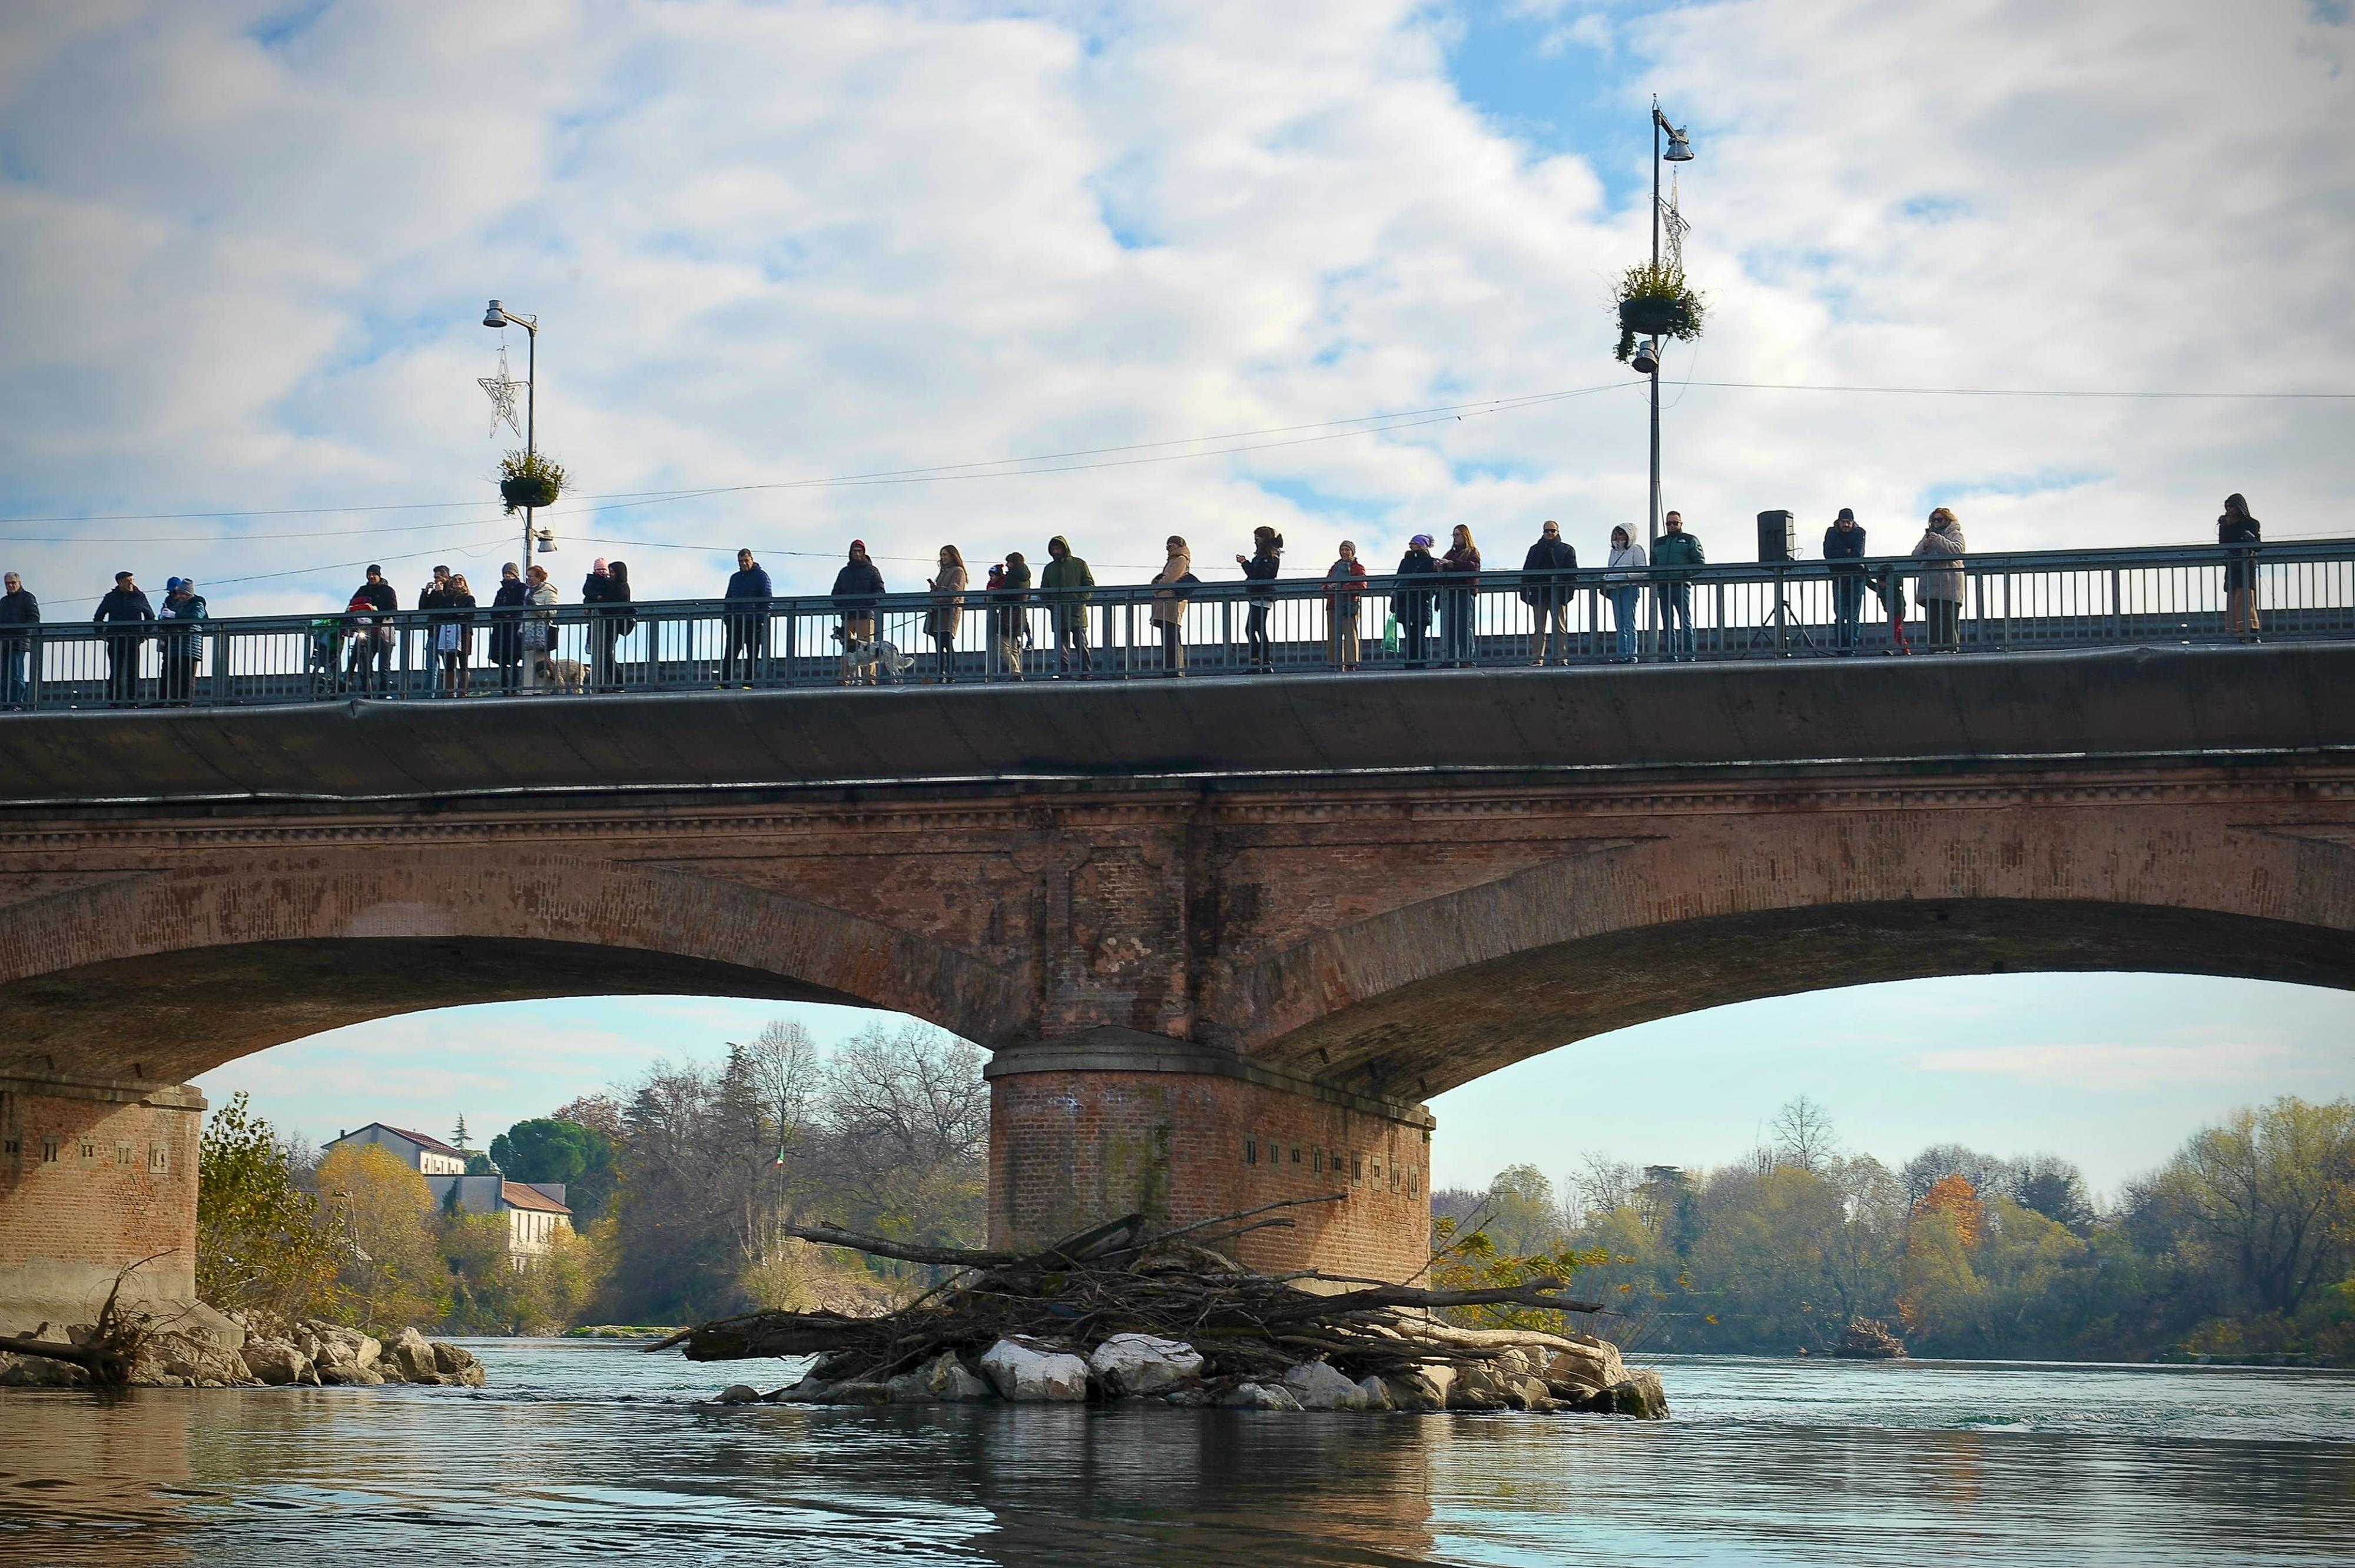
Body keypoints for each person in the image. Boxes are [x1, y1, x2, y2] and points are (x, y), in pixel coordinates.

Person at [1519, 520, 1577, 666]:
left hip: (1559, 593)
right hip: (1539, 594)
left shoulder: (1567, 549)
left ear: (1558, 532)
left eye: (1553, 531)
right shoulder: (1535, 550)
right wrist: (1525, 592)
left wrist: (1568, 593)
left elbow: (1572, 574)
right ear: (1543, 532)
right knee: (1539, 629)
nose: (1550, 533)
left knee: (1560, 628)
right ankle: (1537, 659)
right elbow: (1527, 572)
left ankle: (1561, 658)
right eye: (1547, 531)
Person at [94, 570, 155, 704]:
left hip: (134, 639)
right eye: (128, 581)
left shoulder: (139, 596)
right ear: (120, 583)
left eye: (132, 580)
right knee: (116, 672)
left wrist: (145, 633)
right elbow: (99, 616)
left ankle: (133, 701)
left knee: (133, 672)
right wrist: (100, 632)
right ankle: (114, 700)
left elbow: (150, 616)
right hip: (115, 639)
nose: (131, 584)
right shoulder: (111, 598)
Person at [1912, 507, 1966, 653]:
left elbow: (1958, 551)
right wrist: (1926, 545)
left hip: (1949, 584)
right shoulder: (1927, 537)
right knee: (1933, 621)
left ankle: (1951, 648)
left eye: (1940, 519)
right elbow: (1915, 557)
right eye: (1934, 520)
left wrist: (1939, 541)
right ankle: (1934, 649)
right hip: (1930, 586)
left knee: (1948, 619)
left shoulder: (1955, 534)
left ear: (1948, 520)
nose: (1936, 523)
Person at [1651, 511, 1703, 662]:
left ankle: (1689, 654)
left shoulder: (1689, 540)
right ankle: (1670, 655)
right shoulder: (1658, 542)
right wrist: (1656, 577)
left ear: (1681, 524)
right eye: (1669, 523)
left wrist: (1684, 574)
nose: (1672, 526)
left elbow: (1700, 563)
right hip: (1663, 586)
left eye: (1675, 523)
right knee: (1668, 623)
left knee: (1684, 620)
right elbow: (1653, 564)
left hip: (1680, 585)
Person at [831, 540, 885, 683]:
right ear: (850, 553)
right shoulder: (844, 572)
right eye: (854, 551)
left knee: (868, 647)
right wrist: (843, 604)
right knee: (847, 649)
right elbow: (835, 594)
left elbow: (880, 591)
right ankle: (845, 678)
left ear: (864, 553)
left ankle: (870, 679)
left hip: (865, 615)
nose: (857, 553)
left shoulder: (872, 571)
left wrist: (867, 603)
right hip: (848, 615)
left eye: (859, 551)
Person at [1041, 535, 1094, 677]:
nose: (1056, 551)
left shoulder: (1079, 564)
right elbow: (1043, 591)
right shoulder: (1049, 569)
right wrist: (1052, 605)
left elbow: (1089, 586)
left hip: (1077, 613)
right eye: (1054, 549)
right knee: (1061, 647)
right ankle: (1064, 673)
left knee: (1081, 644)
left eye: (1058, 548)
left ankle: (1086, 672)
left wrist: (1080, 602)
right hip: (1059, 613)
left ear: (1064, 549)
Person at [722, 547, 772, 686]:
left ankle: (748, 683)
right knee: (730, 653)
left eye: (746, 561)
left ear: (752, 560)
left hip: (753, 621)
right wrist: (727, 619)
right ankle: (725, 683)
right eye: (740, 561)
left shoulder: (761, 576)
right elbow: (728, 599)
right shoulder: (735, 578)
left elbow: (767, 599)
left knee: (752, 654)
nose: (743, 564)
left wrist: (762, 619)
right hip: (735, 621)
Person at [1823, 509, 1868, 655]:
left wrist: (1840, 553)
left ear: (1853, 522)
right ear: (1839, 522)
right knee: (1841, 615)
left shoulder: (1860, 532)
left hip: (1856, 578)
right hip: (1839, 578)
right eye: (1844, 522)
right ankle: (1841, 647)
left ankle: (1850, 648)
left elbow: (1857, 554)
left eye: (1849, 522)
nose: (1846, 525)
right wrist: (1846, 551)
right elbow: (1827, 554)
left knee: (1853, 616)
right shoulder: (1831, 532)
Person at [1237, 526, 1282, 672]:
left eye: (1258, 537)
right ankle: (1258, 661)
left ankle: (1262, 663)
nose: (1255, 540)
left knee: (1256, 628)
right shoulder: (1264, 556)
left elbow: (1259, 575)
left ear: (1265, 539)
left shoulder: (1269, 556)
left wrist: (1245, 563)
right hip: (1259, 596)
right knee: (1253, 628)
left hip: (1263, 595)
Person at [157, 576, 207, 703]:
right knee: (168, 674)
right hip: (173, 645)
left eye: (182, 594)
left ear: (188, 594)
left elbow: (196, 618)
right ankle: (165, 700)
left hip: (189, 646)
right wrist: (163, 617)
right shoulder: (173, 604)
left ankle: (184, 701)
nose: (179, 596)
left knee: (186, 676)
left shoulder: (197, 603)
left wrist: (175, 615)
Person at [347, 564, 397, 690]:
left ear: (379, 575)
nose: (371, 577)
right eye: (369, 574)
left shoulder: (387, 590)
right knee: (364, 665)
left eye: (374, 574)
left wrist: (376, 612)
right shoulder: (363, 590)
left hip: (383, 631)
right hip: (367, 631)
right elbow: (351, 607)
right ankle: (366, 692)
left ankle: (383, 694)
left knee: (384, 667)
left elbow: (393, 610)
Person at [2220, 493, 2261, 643]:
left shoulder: (2251, 523)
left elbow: (2258, 546)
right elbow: (2223, 544)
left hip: (2245, 565)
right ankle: (2237, 633)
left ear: (2239, 507)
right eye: (2227, 507)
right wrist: (2225, 524)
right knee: (2233, 597)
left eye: (2232, 506)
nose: (2229, 509)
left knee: (2245, 598)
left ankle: (2250, 630)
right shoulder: (2225, 524)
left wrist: (2250, 538)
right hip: (2232, 566)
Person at [1438, 524, 1481, 666]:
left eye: (1458, 535)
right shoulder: (1450, 553)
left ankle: (1468, 660)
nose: (1455, 538)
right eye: (1454, 535)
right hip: (1448, 594)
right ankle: (1450, 661)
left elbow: (1473, 567)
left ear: (1465, 536)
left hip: (1464, 592)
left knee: (1464, 627)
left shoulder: (1472, 552)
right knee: (1449, 628)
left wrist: (1452, 564)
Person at [1392, 534, 1438, 667]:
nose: (1410, 545)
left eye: (1414, 543)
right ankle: (1410, 662)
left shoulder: (1430, 562)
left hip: (1420, 601)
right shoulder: (1406, 561)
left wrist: (1427, 595)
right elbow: (1398, 580)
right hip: (1405, 601)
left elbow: (1433, 583)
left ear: (1421, 545)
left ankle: (1420, 661)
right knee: (1409, 633)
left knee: (1419, 632)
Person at [1603, 526, 1647, 663]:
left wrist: (1626, 576)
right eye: (1616, 533)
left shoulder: (1636, 549)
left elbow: (1643, 570)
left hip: (1629, 588)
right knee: (1619, 624)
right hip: (1615, 588)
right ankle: (1622, 655)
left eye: (1621, 533)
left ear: (1629, 535)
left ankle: (1631, 655)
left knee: (1629, 623)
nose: (1618, 536)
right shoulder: (1613, 552)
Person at [1150, 536, 1194, 675]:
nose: (1168, 549)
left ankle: (1174, 670)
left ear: (1177, 546)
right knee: (1168, 636)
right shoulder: (1174, 560)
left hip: (1171, 603)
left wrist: (1158, 584)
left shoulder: (1180, 559)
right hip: (1166, 603)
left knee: (1172, 636)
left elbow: (1169, 579)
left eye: (1170, 546)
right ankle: (1171, 669)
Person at [926, 545, 967, 682]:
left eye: (945, 555)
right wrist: (935, 589)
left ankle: (950, 675)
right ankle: (940, 674)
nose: (943, 558)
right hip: (938, 613)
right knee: (938, 646)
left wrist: (938, 595)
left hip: (948, 613)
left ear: (953, 556)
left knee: (947, 644)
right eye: (942, 555)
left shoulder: (958, 571)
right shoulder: (944, 572)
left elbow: (953, 594)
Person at [1323, 540, 1366, 670]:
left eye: (1347, 550)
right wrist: (1328, 587)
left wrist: (1342, 587)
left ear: (1352, 552)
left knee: (1350, 633)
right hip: (1333, 604)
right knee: (1333, 635)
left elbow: (1362, 586)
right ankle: (1334, 662)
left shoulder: (1358, 568)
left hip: (1349, 604)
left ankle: (1351, 663)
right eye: (1342, 550)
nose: (1344, 552)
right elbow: (1324, 584)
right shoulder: (1334, 568)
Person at [590, 560, 633, 690]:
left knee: (606, 655)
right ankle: (606, 685)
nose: (610, 574)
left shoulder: (621, 587)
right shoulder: (611, 585)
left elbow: (611, 604)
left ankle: (619, 683)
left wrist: (600, 599)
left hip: (612, 625)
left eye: (613, 572)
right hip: (605, 623)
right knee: (602, 655)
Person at [1, 571, 40, 709]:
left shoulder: (27, 598)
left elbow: (34, 618)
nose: (10, 586)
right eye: (7, 583)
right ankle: (5, 703)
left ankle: (16, 703)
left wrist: (23, 633)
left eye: (13, 583)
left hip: (19, 643)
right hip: (4, 643)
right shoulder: (4, 602)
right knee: (5, 675)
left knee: (16, 675)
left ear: (19, 583)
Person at [489, 562, 529, 694]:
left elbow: (521, 605)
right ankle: (505, 688)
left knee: (514, 660)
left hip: (514, 628)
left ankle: (514, 688)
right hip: (501, 629)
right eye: (506, 573)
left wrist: (508, 614)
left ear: (515, 574)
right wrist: (501, 615)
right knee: (502, 661)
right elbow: (494, 610)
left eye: (510, 573)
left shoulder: (522, 588)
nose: (507, 576)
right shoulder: (501, 591)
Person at [992, 552, 1031, 677]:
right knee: (1014, 648)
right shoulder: (1025, 577)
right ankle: (1017, 673)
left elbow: (1006, 594)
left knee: (1004, 648)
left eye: (1009, 562)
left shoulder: (1013, 575)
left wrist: (996, 593)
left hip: (1008, 615)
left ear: (1013, 563)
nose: (1007, 565)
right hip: (1020, 615)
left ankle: (1015, 673)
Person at [439, 573, 477, 697]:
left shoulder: (469, 598)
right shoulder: (447, 598)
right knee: (450, 663)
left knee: (463, 661)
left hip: (464, 631)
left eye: (460, 580)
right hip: (450, 631)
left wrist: (455, 614)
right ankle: (450, 691)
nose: (457, 582)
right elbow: (443, 615)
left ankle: (463, 691)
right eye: (455, 580)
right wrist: (458, 614)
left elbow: (470, 615)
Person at [522, 563, 559, 691]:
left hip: (541, 631)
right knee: (528, 661)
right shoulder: (527, 591)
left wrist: (536, 607)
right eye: (527, 576)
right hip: (527, 630)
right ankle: (527, 691)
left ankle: (540, 691)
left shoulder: (548, 591)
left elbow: (552, 612)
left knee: (541, 662)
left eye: (531, 576)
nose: (529, 579)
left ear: (539, 578)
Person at [1870, 559, 1911, 654]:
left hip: (1899, 611)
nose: (1881, 584)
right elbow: (1870, 584)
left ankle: (1890, 648)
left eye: (1883, 581)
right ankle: (1906, 651)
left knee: (1893, 629)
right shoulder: (1880, 589)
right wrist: (1866, 573)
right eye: (1880, 581)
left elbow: (1898, 578)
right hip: (1891, 612)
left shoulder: (1894, 584)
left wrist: (1890, 573)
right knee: (1898, 631)